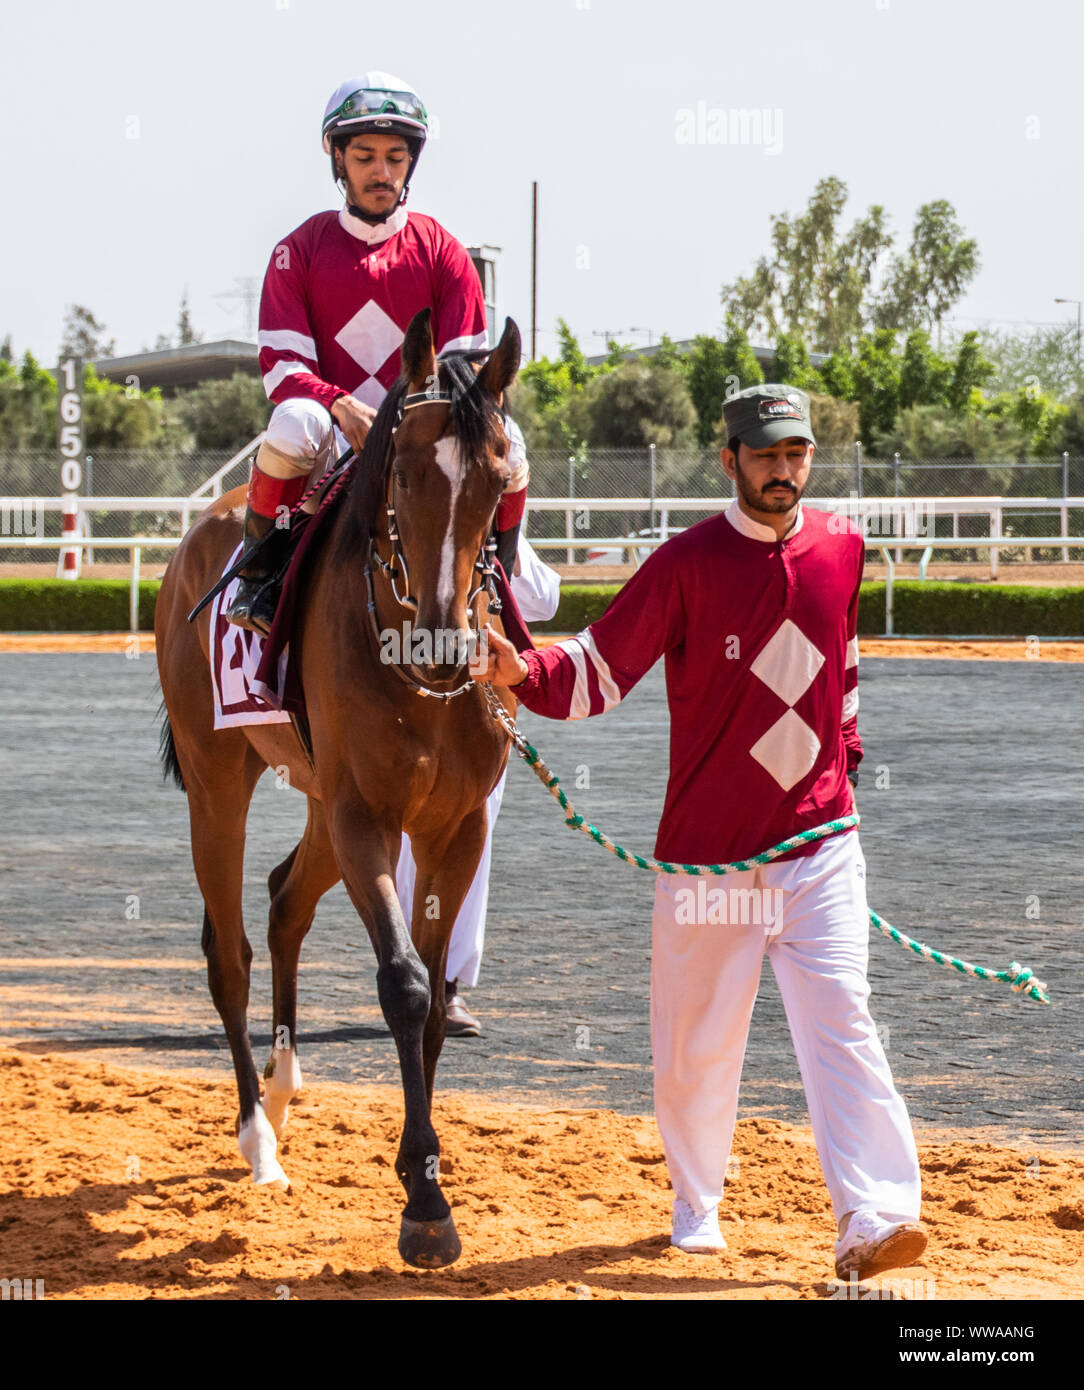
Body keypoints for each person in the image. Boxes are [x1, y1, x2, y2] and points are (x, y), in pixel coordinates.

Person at [473, 384, 927, 1284]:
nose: (783, 470)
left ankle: (873, 1214)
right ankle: (697, 1201)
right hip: (708, 861)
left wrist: (846, 760)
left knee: (844, 1020)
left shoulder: (844, 547)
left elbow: (843, 671)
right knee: (696, 1045)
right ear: (729, 460)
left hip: (822, 845)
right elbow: (602, 665)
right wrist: (523, 672)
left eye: (796, 453)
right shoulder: (684, 563)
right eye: (765, 455)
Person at [229, 71, 528, 635]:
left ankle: (499, 586)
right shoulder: (298, 251)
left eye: (395, 157)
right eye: (365, 156)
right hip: (332, 436)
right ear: (338, 160)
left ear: (411, 164)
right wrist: (342, 405)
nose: (382, 172)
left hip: (426, 439)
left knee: (510, 444)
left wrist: (417, 421)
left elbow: (467, 377)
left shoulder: (443, 252)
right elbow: (284, 368)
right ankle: (260, 577)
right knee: (292, 422)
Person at [393, 531, 561, 1036]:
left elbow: (545, 601)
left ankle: (444, 984)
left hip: (475, 718)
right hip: (390, 702)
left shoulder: (487, 523)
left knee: (468, 846)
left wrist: (505, 545)